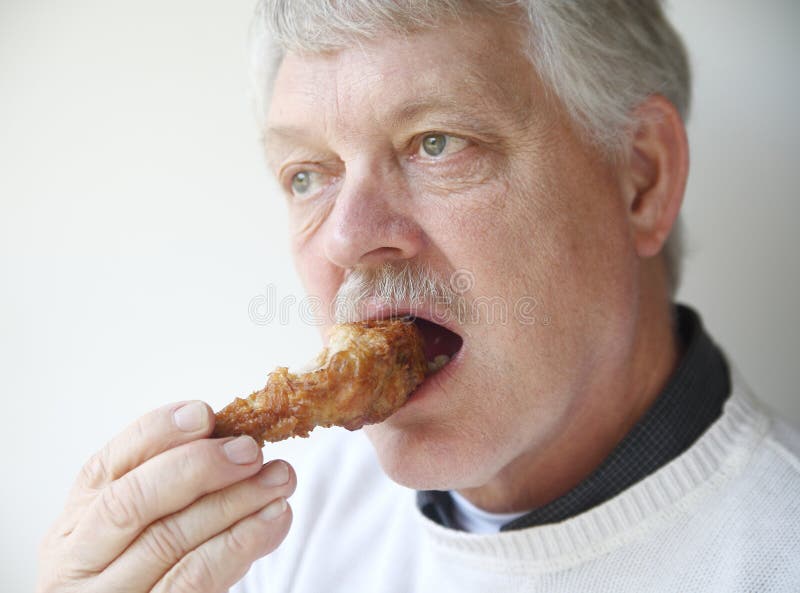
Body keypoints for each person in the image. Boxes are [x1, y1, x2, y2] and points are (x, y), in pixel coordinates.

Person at [36, 1, 800, 592]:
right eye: (308, 173)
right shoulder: (261, 535)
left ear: (642, 179)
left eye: (436, 142)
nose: (345, 238)